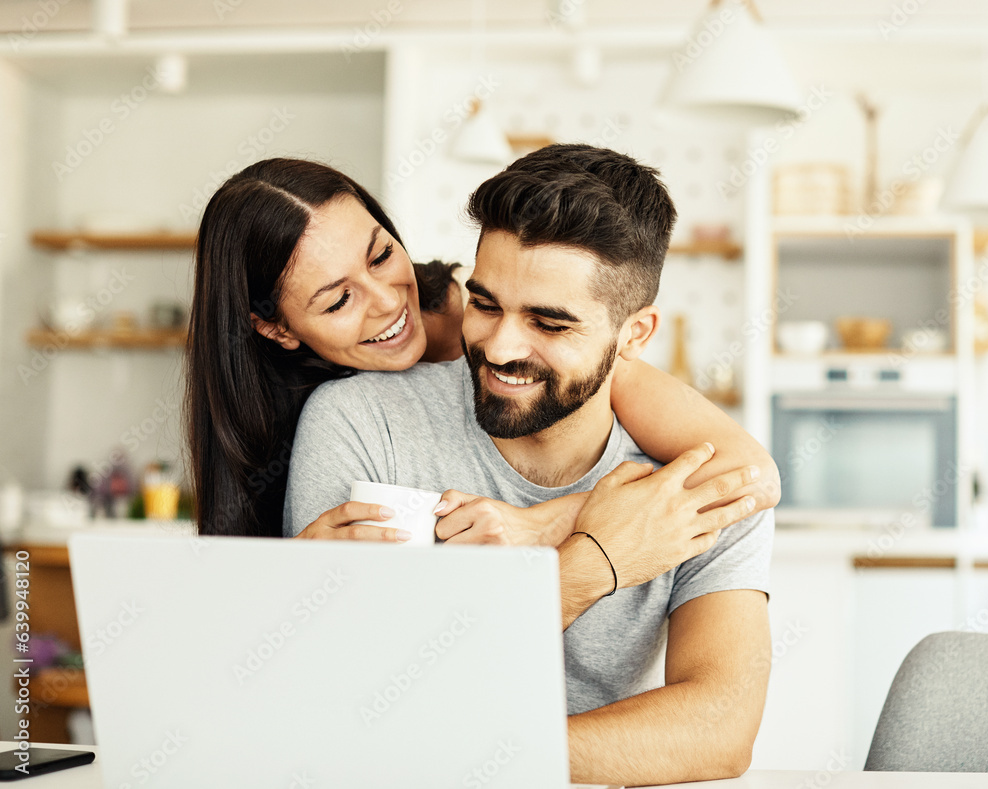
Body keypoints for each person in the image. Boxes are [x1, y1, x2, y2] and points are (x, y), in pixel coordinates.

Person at [284, 144, 773, 785]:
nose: (500, 346)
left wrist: (448, 749)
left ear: (634, 336)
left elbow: (719, 730)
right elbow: (340, 712)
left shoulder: (695, 484)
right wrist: (592, 563)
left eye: (549, 322)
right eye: (485, 305)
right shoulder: (359, 421)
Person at [186, 158, 779, 541]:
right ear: (277, 329)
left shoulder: (471, 314)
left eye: (380, 255)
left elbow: (750, 474)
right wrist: (294, 574)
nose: (391, 302)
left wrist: (550, 520)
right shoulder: (326, 417)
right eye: (338, 301)